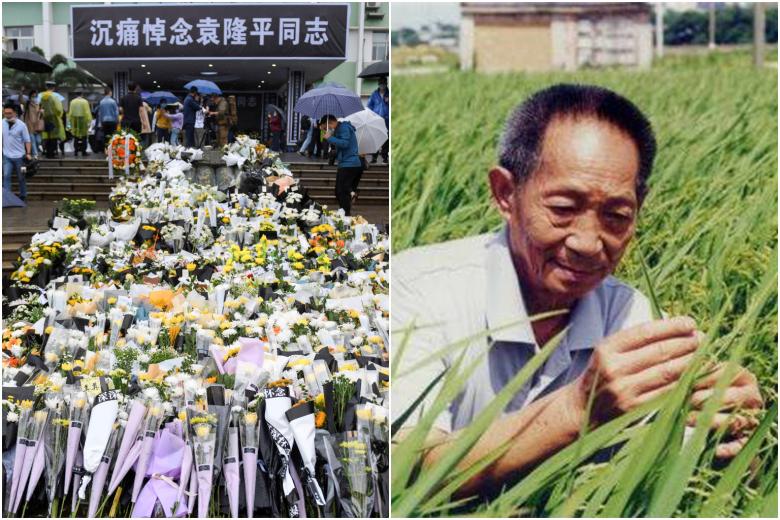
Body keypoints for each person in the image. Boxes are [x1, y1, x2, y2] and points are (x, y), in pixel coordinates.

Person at [392, 84, 763, 498]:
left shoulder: (629, 315)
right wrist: (578, 409)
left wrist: (727, 434)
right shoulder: (416, 290)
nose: (588, 241)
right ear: (505, 193)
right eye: (563, 209)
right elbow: (401, 469)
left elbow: (679, 477)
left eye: (616, 215)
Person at [324, 114, 362, 215]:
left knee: (341, 191)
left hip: (349, 164)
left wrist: (330, 138)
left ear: (331, 123)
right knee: (339, 191)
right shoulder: (340, 129)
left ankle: (346, 214)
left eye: (327, 126)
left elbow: (345, 144)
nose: (328, 129)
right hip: (346, 163)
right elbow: (343, 147)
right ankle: (344, 211)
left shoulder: (344, 128)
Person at [3, 103, 32, 201]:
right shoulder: (2, 123)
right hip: (7, 156)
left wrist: (28, 153)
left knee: (21, 177)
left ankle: (23, 195)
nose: (7, 115)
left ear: (15, 113)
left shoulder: (22, 125)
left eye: (9, 113)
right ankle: (7, 196)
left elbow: (27, 140)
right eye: (5, 113)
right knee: (6, 175)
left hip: (20, 157)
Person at [40, 81, 64, 159]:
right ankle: (52, 153)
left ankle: (46, 152)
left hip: (44, 118)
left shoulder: (40, 96)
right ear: (53, 88)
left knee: (46, 136)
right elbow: (59, 109)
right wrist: (59, 115)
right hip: (54, 118)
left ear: (46, 87)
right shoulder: (55, 96)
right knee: (53, 136)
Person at [367, 78, 389, 163]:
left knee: (386, 139)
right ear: (378, 84)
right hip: (376, 120)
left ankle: (385, 157)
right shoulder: (374, 94)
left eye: (383, 83)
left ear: (386, 84)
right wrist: (371, 116)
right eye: (381, 84)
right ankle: (374, 157)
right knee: (375, 138)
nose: (382, 85)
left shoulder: (390, 94)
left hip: (387, 120)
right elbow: (369, 106)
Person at [67, 90, 91, 156]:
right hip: (83, 121)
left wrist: (69, 122)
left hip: (75, 121)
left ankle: (76, 151)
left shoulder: (72, 102)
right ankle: (84, 151)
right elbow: (87, 112)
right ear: (82, 94)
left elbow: (70, 112)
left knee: (76, 137)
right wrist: (89, 121)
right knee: (84, 137)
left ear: (76, 95)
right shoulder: (85, 102)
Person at [22, 89, 43, 158]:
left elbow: (40, 115)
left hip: (37, 125)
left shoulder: (39, 104)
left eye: (35, 96)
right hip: (29, 125)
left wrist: (41, 112)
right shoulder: (27, 104)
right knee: (33, 141)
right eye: (33, 96)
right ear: (30, 97)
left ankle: (35, 152)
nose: (34, 98)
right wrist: (21, 92)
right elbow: (21, 100)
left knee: (38, 141)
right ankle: (35, 154)